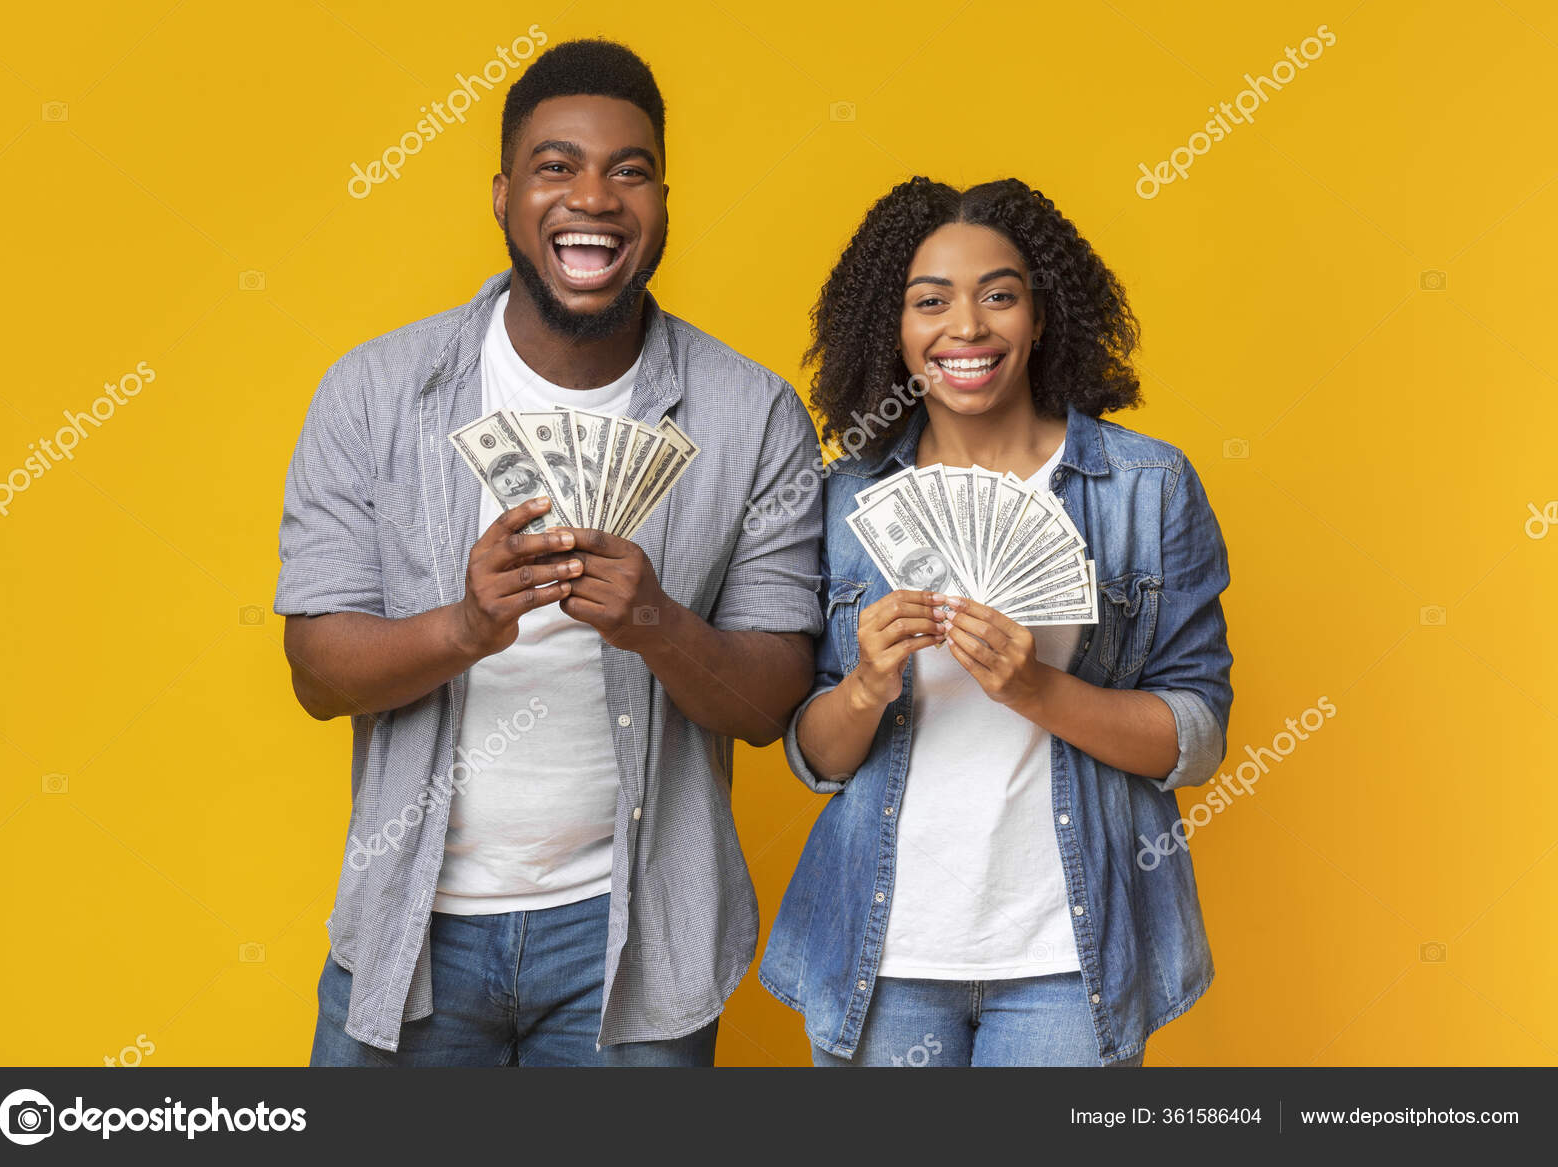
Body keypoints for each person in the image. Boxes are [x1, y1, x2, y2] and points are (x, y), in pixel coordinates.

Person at [276, 39, 822, 1067]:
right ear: (503, 196)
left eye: (629, 170)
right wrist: (465, 626)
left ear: (662, 198)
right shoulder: (374, 393)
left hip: (635, 940)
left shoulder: (752, 416)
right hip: (412, 932)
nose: (595, 197)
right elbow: (315, 673)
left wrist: (655, 624)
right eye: (556, 166)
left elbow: (773, 705)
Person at [758, 177, 1233, 1067]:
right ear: (893, 332)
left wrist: (1036, 688)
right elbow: (813, 757)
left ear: (1041, 316)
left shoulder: (1145, 487)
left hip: (1068, 959)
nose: (966, 328)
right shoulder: (847, 501)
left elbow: (1197, 739)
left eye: (999, 295)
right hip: (881, 955)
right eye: (929, 301)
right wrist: (865, 686)